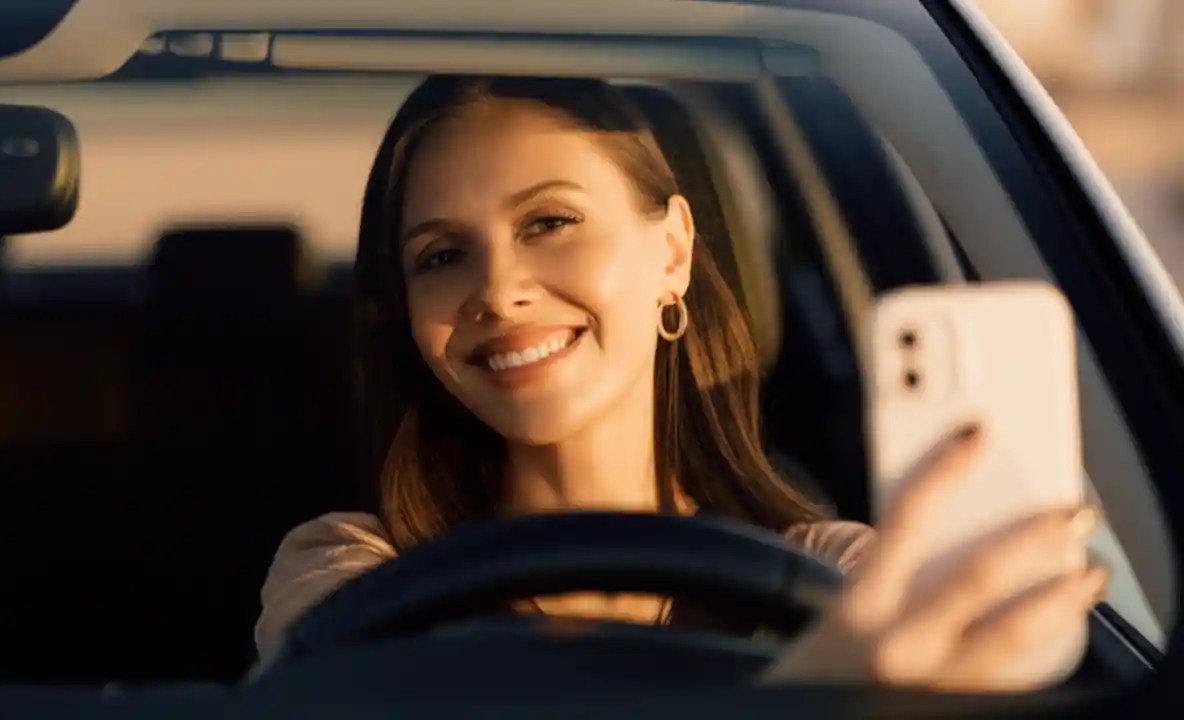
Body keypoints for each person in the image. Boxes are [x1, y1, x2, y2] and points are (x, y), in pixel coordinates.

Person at [255, 75, 1107, 690]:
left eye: (549, 222)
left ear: (671, 253)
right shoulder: (343, 573)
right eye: (441, 256)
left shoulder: (838, 572)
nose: (497, 289)